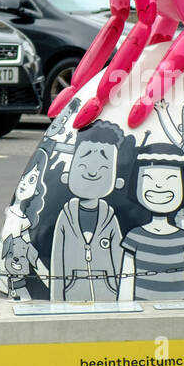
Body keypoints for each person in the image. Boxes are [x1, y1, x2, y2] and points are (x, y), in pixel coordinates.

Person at [49, 120, 126, 302]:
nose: (93, 172)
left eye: (104, 168)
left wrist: (120, 296)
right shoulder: (66, 217)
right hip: (71, 294)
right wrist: (57, 297)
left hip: (108, 294)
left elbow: (119, 258)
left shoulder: (110, 218)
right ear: (68, 175)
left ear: (116, 181)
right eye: (83, 165)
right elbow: (57, 260)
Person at [119, 142, 184, 301]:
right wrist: (125, 308)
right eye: (148, 178)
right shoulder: (134, 236)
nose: (159, 185)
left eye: (171, 179)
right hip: (141, 310)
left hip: (180, 311)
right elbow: (127, 277)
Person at [0, 148, 51, 300]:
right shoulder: (16, 215)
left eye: (32, 180)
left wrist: (52, 283)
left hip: (19, 284)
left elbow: (34, 259)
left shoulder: (24, 223)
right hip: (9, 280)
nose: (24, 184)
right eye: (26, 178)